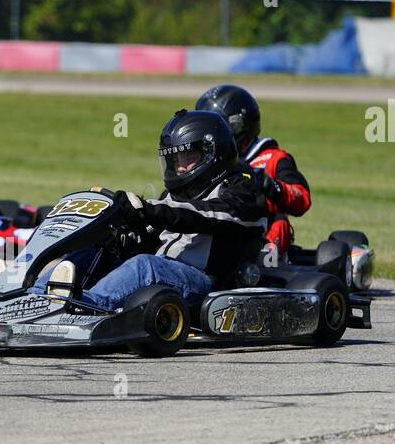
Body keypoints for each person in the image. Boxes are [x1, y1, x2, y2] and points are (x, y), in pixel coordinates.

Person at [31, 109, 268, 311]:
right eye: (176, 159)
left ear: (212, 153)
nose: (181, 166)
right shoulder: (176, 197)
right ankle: (34, 298)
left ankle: (84, 306)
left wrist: (148, 209)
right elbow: (157, 225)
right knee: (97, 250)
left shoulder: (242, 192)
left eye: (190, 156)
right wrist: (123, 227)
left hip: (206, 284)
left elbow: (204, 215)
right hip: (166, 275)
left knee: (145, 265)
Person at [195, 83, 310, 261]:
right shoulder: (209, 160)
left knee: (279, 219)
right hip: (218, 224)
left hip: (259, 232)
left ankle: (257, 264)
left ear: (238, 125)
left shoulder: (273, 158)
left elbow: (301, 199)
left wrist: (269, 185)